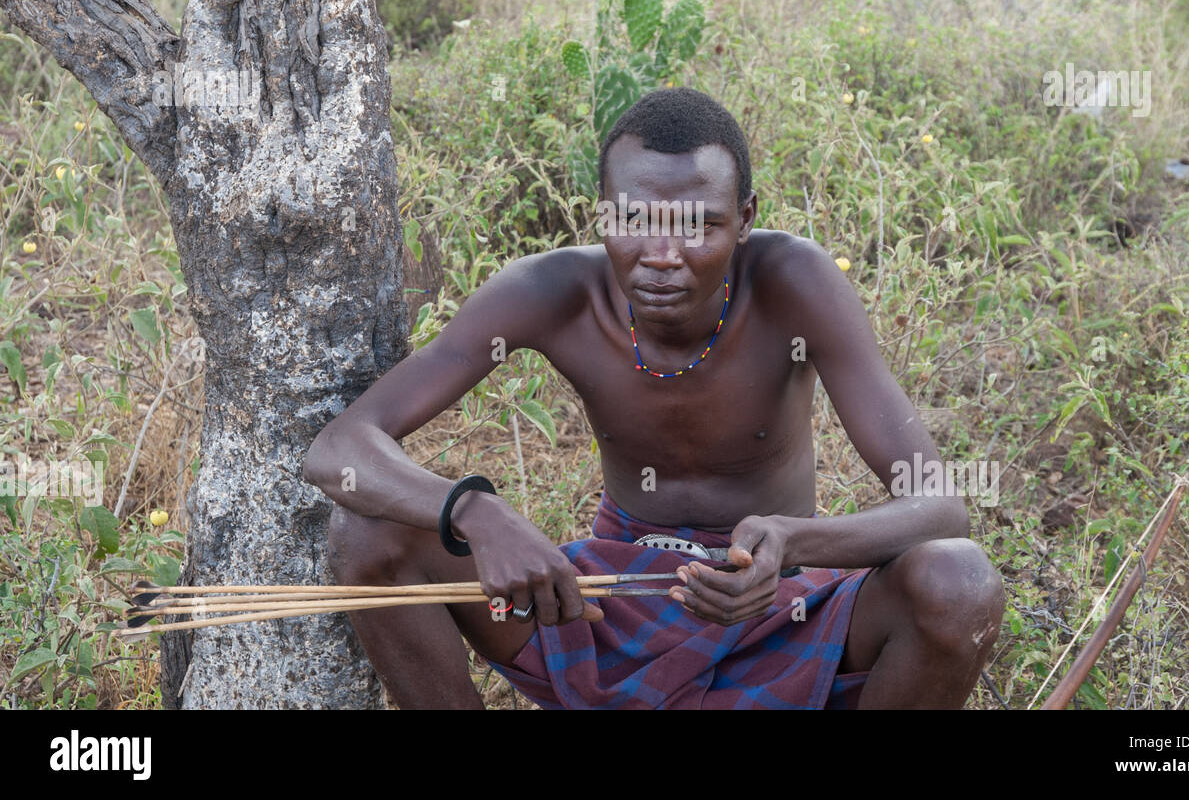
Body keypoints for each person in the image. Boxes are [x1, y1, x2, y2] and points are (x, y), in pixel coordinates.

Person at [304, 86, 1004, 709]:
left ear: (745, 218)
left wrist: (792, 540)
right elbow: (340, 446)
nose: (663, 254)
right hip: (607, 607)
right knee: (366, 532)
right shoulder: (551, 293)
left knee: (958, 581)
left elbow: (939, 504)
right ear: (602, 213)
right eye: (636, 220)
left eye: (699, 224)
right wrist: (475, 511)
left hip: (778, 604)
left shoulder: (796, 283)